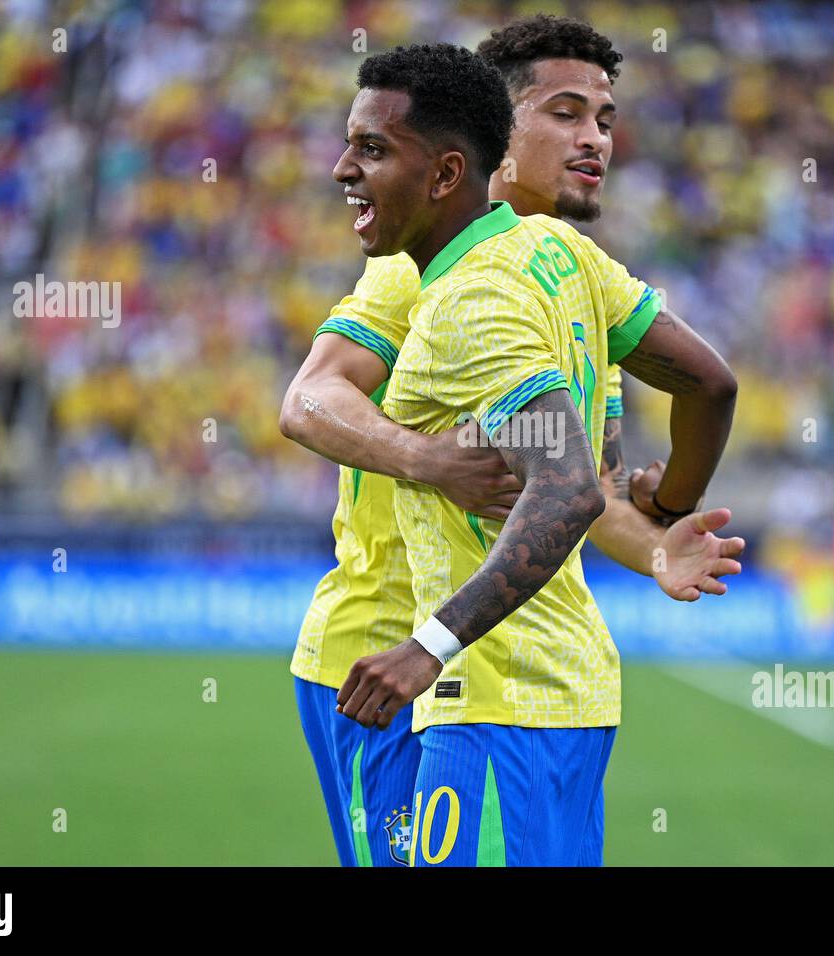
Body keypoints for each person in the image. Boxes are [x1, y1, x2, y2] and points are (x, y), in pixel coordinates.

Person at [279, 18, 739, 866]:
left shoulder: (562, 264)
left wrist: (656, 543)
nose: (594, 138)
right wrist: (428, 461)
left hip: (474, 662)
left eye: (604, 118)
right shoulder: (410, 266)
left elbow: (575, 482)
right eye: (566, 114)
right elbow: (309, 399)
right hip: (380, 649)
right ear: (497, 130)